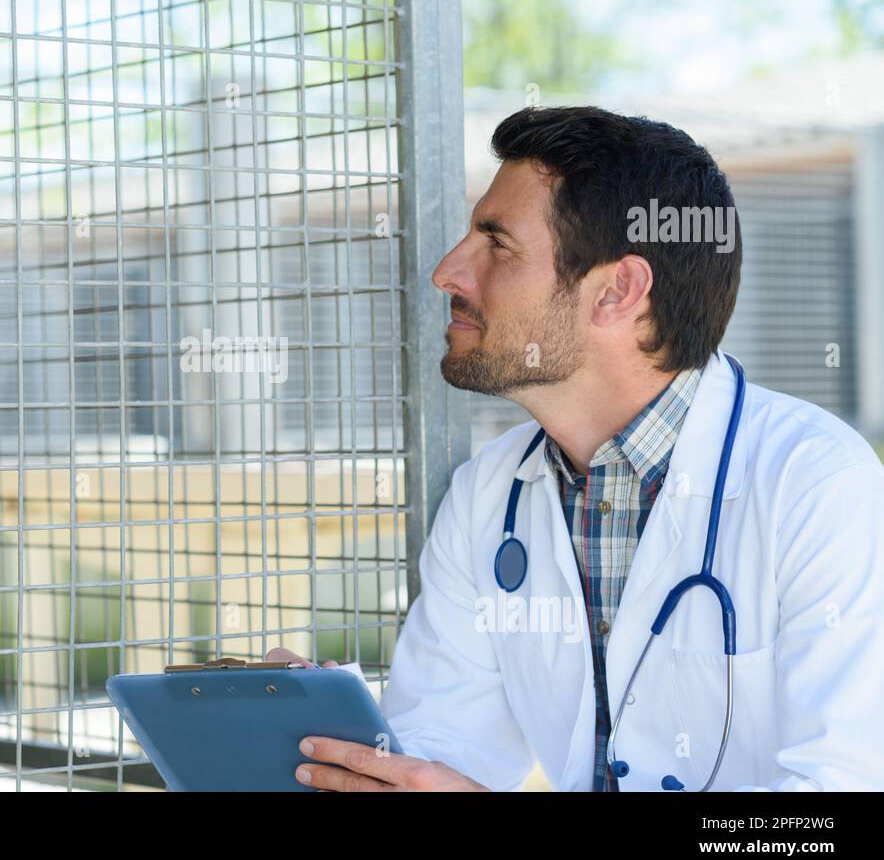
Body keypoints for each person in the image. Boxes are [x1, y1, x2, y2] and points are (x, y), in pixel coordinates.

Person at [268, 106, 884, 791]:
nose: (447, 272)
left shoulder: (819, 484)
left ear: (617, 291)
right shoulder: (487, 493)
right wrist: (344, 745)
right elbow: (448, 749)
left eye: (497, 243)